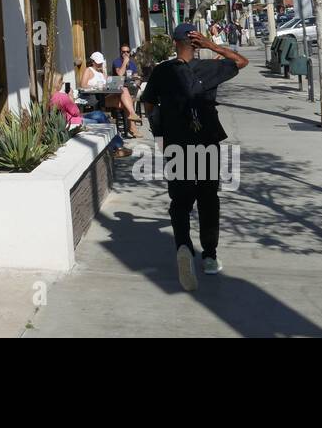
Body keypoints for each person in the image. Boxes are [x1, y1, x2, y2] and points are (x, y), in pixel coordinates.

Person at [138, 22, 248, 292]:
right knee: (208, 200)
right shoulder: (210, 68)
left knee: (180, 201)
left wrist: (159, 132)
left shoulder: (162, 72)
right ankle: (209, 256)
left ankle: (184, 248)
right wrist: (212, 46)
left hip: (177, 143)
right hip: (207, 141)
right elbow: (241, 61)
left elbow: (148, 104)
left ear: (175, 43)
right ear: (195, 44)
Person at [83, 50, 138, 138]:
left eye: (101, 63)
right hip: (95, 99)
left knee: (124, 94)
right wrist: (96, 86)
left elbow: (108, 82)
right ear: (93, 62)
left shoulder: (100, 72)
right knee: (125, 102)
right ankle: (132, 125)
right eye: (98, 63)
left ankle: (132, 122)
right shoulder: (88, 70)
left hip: (104, 97)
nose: (100, 64)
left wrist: (105, 73)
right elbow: (83, 85)